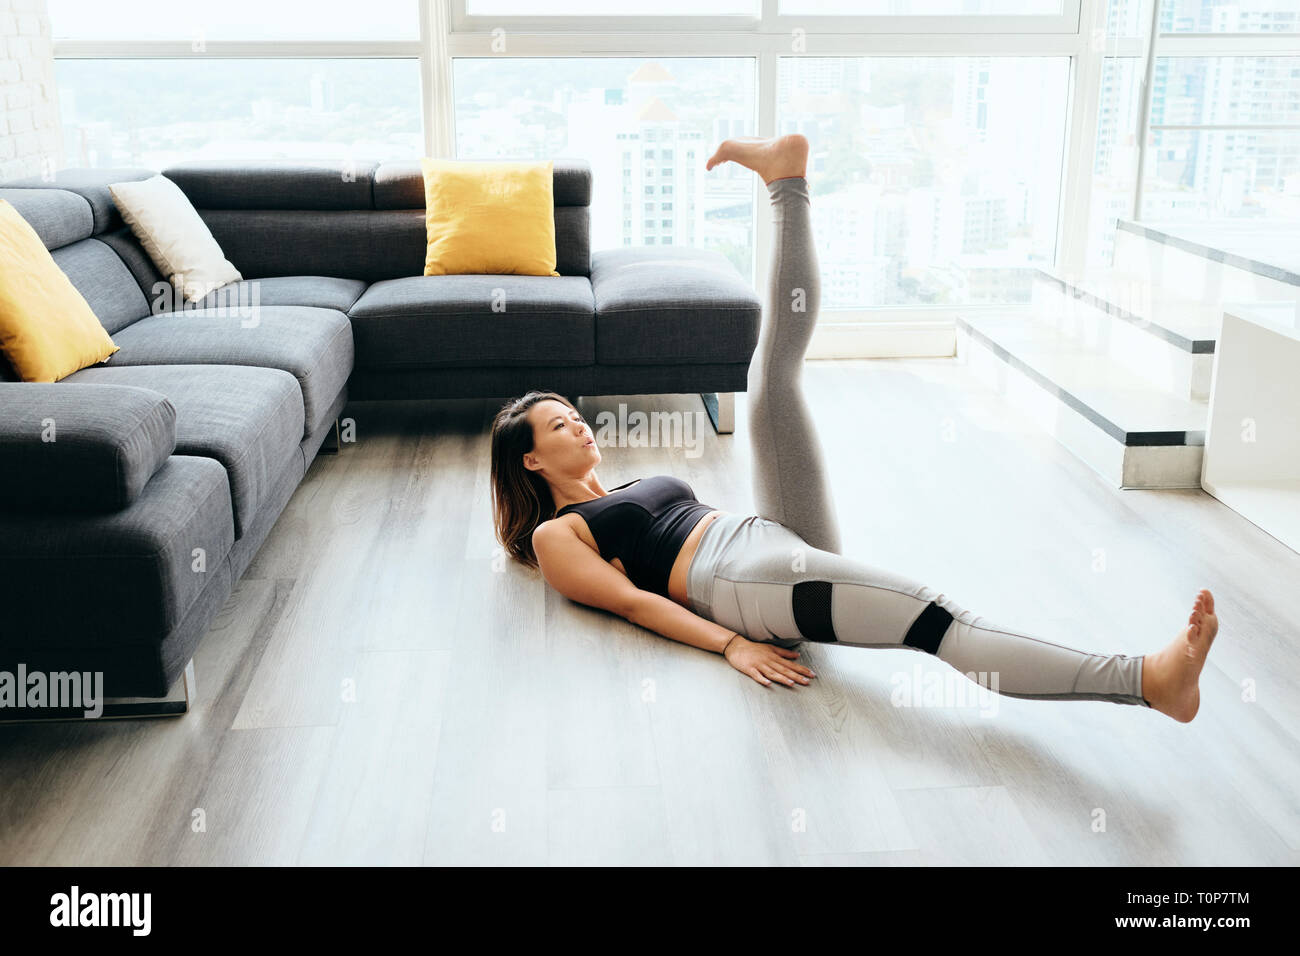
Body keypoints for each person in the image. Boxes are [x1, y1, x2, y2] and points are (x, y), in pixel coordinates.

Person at [490, 133, 1219, 723]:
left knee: (775, 378)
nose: (581, 427)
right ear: (529, 461)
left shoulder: (612, 490)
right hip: (741, 580)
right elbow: (633, 603)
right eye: (559, 425)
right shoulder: (558, 537)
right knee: (942, 624)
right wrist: (731, 646)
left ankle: (786, 180)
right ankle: (1148, 682)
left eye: (576, 415)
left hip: (766, 541)